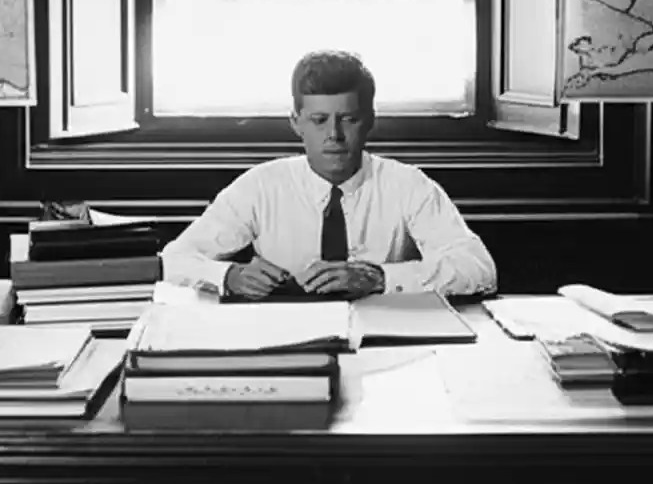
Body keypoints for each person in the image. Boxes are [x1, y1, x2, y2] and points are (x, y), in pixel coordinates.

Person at [160, 50, 497, 300]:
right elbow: (175, 259)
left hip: (383, 338)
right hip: (286, 338)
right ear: (296, 123)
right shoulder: (260, 186)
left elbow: (479, 269)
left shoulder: (408, 185)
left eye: (348, 119)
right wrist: (228, 276)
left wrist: (380, 278)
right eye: (319, 121)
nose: (334, 135)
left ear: (369, 121)